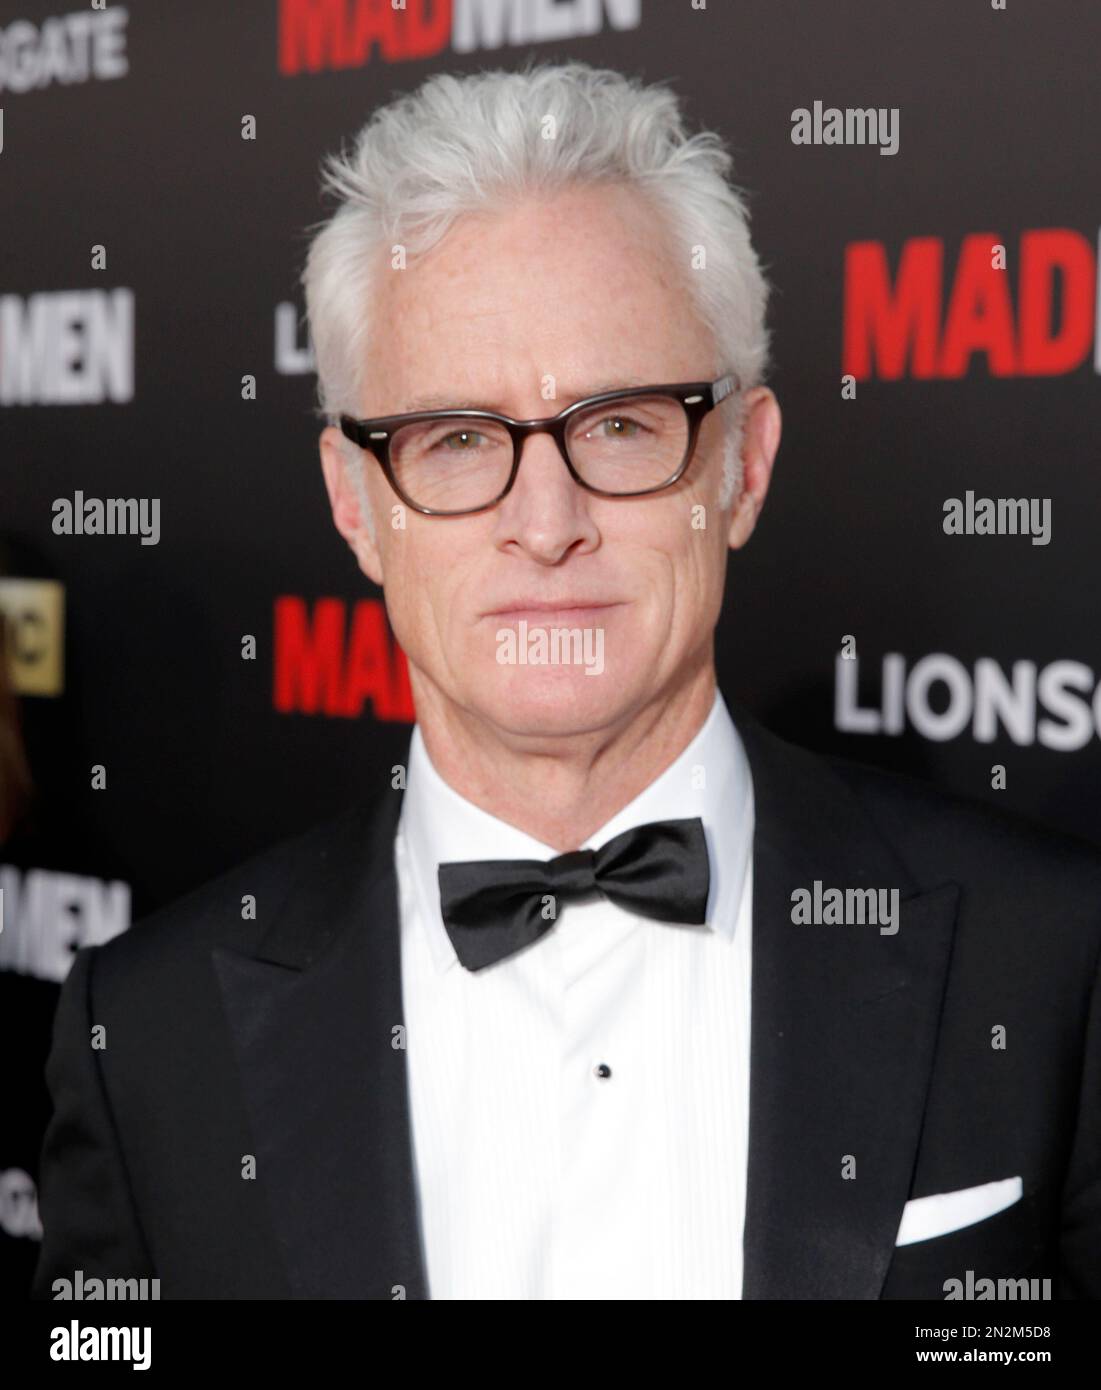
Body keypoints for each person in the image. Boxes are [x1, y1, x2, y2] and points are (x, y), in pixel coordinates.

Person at [32, 60, 1101, 1301]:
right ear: (354, 504)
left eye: (622, 425)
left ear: (742, 471)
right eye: (456, 440)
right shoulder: (149, 1039)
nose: (546, 523)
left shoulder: (1048, 960)